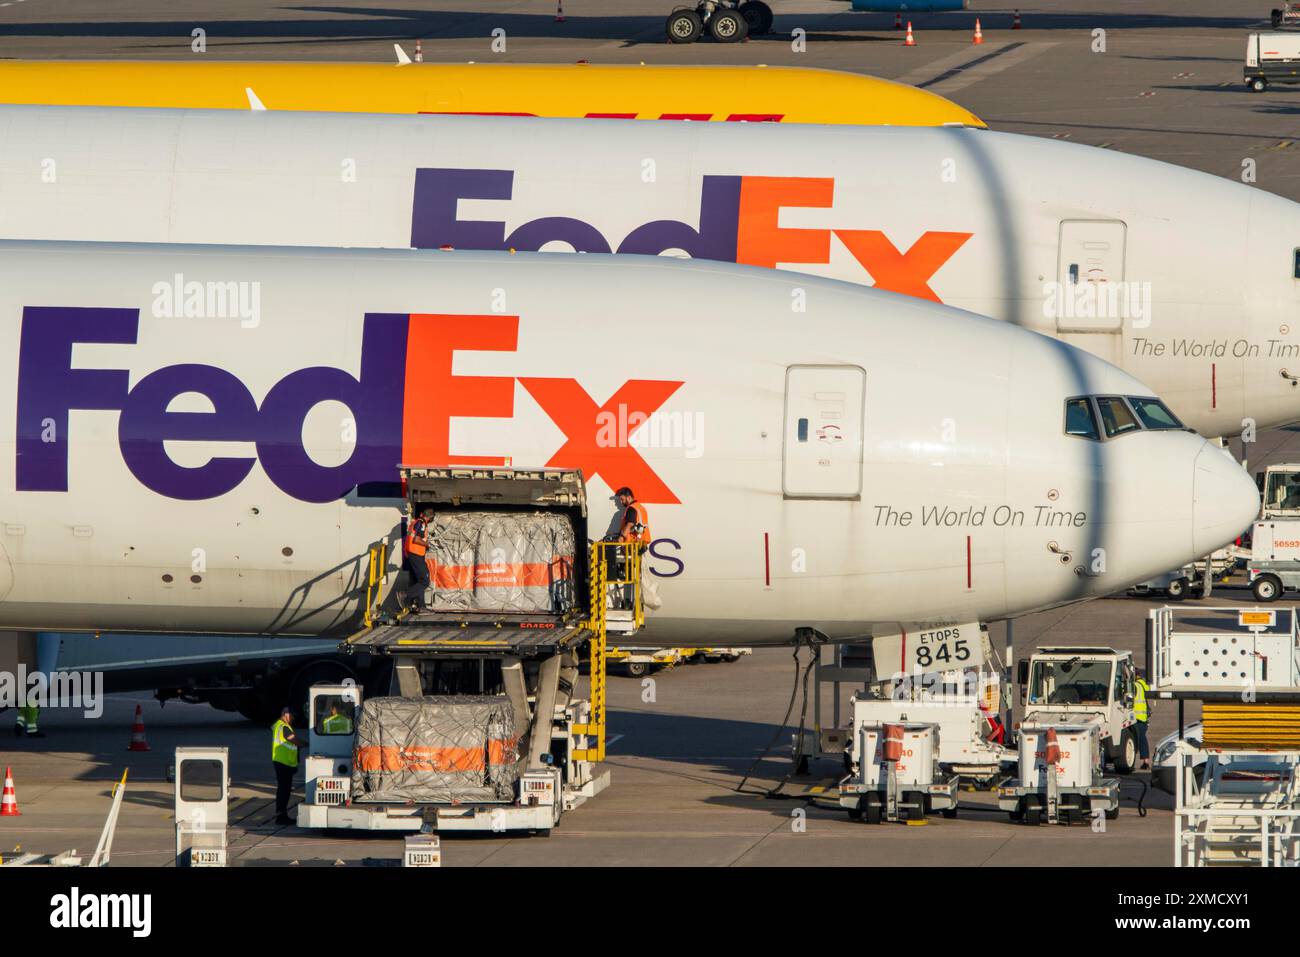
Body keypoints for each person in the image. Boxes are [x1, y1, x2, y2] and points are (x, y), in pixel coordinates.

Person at [271, 706, 307, 825]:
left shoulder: (279, 725)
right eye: (291, 716)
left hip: (283, 762)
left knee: (283, 790)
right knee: (284, 791)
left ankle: (281, 815)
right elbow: (294, 740)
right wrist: (307, 744)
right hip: (283, 763)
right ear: (285, 713)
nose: (293, 718)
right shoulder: (284, 727)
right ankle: (281, 817)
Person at [404, 507, 434, 611]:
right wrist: (427, 544)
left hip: (412, 554)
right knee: (425, 581)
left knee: (419, 581)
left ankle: (421, 606)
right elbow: (416, 539)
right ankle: (405, 595)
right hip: (416, 554)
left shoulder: (414, 522)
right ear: (429, 517)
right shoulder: (421, 524)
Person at [1133, 669, 1152, 770]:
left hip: (1135, 717)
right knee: (1142, 739)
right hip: (1143, 717)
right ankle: (1145, 761)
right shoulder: (1143, 685)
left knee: (1138, 739)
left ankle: (1144, 761)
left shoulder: (1134, 686)